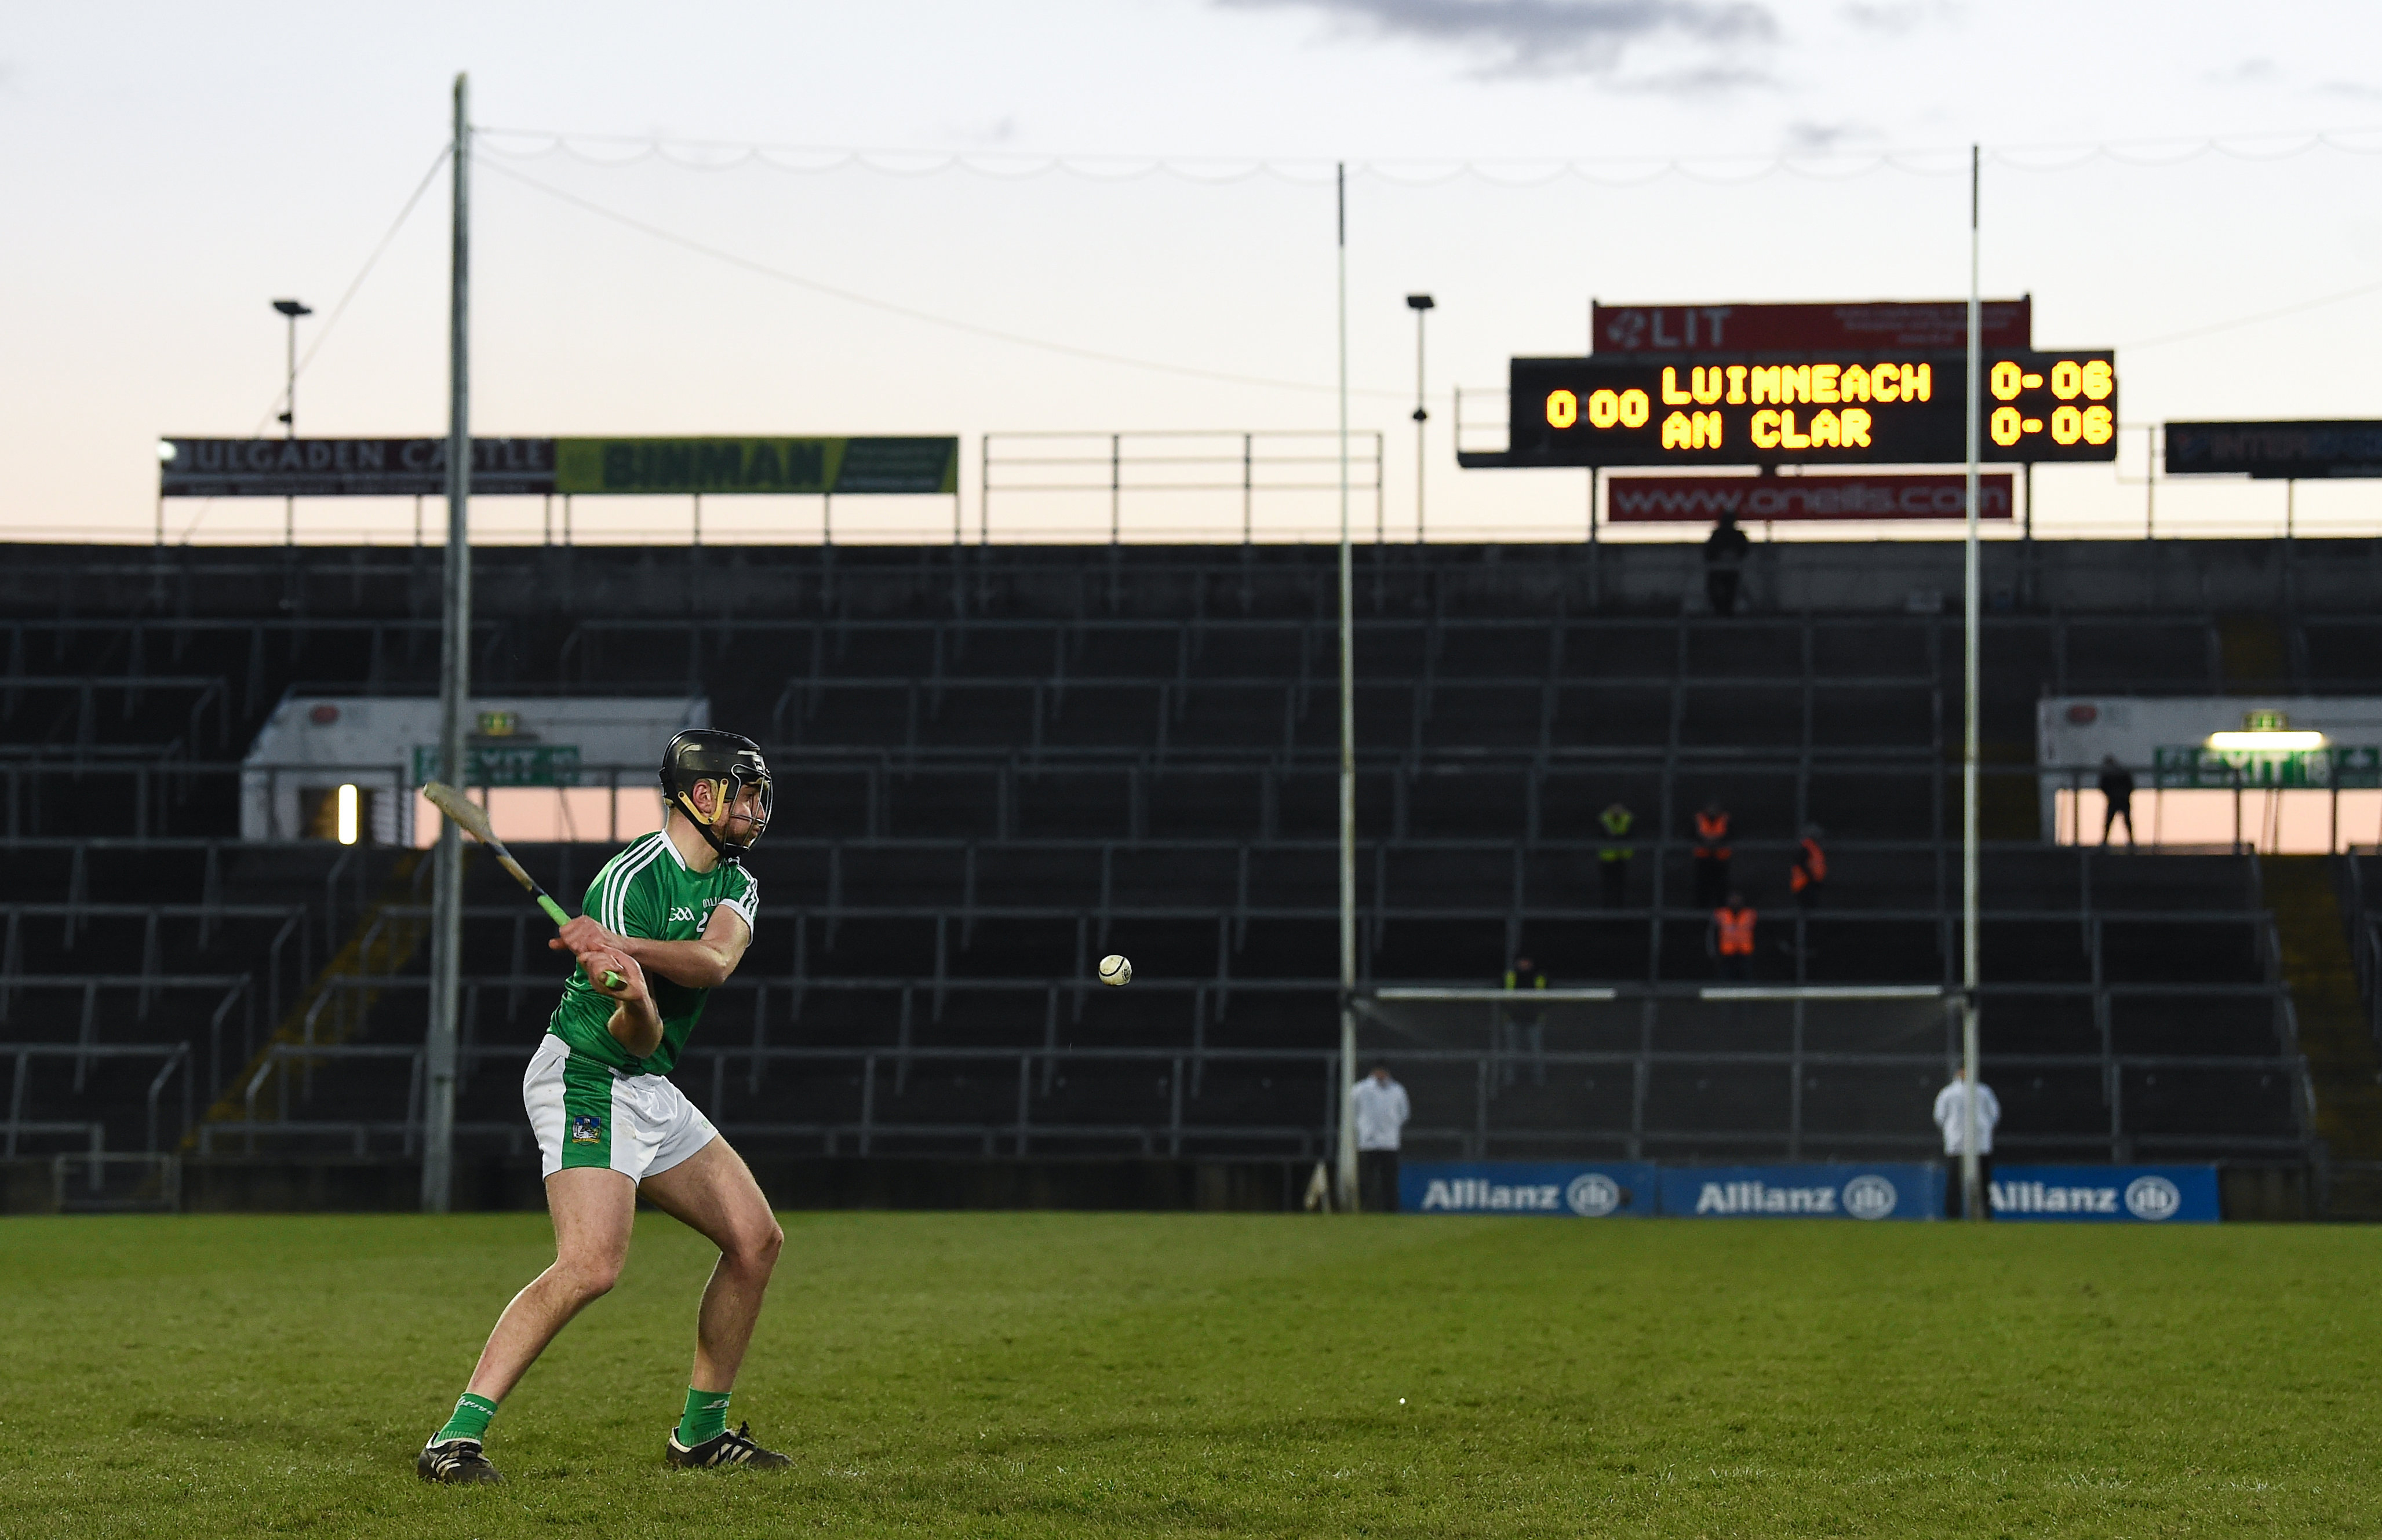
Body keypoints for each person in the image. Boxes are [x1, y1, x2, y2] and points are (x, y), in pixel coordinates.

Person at [417, 729, 789, 1484]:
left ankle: (700, 1434)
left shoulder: (734, 884)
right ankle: (454, 1437)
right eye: (742, 790)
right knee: (591, 1263)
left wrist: (626, 952)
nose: (754, 807)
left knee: (755, 1240)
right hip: (585, 1075)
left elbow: (715, 961)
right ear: (702, 794)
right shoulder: (626, 880)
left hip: (645, 1082)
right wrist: (634, 993)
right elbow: (633, 1027)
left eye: (755, 792)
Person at [1933, 1066, 2002, 1219]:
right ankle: (1953, 1216)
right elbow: (1940, 1116)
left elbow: (1994, 1114)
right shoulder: (1949, 1093)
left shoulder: (1983, 1091)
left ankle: (1984, 1215)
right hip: (1957, 1144)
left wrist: (1983, 1129)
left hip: (1980, 1144)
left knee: (1983, 1182)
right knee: (1955, 1183)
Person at [1351, 1065, 1411, 1213]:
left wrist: (1391, 1128)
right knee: (1366, 1180)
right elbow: (1353, 1112)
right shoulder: (1360, 1089)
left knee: (1389, 1180)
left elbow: (1404, 1114)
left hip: (1390, 1143)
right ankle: (1365, 1208)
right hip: (1367, 1142)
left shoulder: (1397, 1090)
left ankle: (1391, 1209)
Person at [1500, 954, 1547, 1085]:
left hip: (1534, 1021)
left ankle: (1539, 1082)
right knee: (1511, 1052)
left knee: (1536, 1052)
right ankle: (1509, 1082)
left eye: (1527, 961)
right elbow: (1503, 998)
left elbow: (1546, 1000)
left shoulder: (1540, 978)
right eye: (1522, 961)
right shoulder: (1510, 977)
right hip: (1513, 1020)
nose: (1525, 964)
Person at [1703, 514, 1751, 616]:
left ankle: (1725, 612)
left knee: (1729, 591)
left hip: (1728, 570)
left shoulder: (1720, 535)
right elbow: (1709, 552)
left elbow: (1708, 552)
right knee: (1722, 591)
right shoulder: (1719, 535)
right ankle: (1722, 612)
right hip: (1720, 570)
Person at [1692, 801, 1732, 908]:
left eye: (1715, 807)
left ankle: (1720, 907)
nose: (1713, 809)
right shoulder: (1699, 819)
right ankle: (1702, 911)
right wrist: (1705, 841)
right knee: (1703, 886)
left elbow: (1732, 835)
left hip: (1720, 859)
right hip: (1703, 859)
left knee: (1721, 887)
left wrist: (1717, 842)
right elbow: (1690, 834)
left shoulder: (1725, 819)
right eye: (1710, 807)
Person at [1709, 893, 1757, 981]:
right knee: (1725, 981)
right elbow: (1713, 935)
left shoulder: (1750, 914)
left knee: (1746, 982)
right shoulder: (1721, 914)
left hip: (1745, 953)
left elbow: (1757, 933)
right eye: (1733, 899)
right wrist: (1715, 953)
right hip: (1726, 955)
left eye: (1737, 899)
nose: (1735, 902)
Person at [1598, 801, 1635, 908]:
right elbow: (1602, 835)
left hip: (1622, 857)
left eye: (1619, 807)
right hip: (1607, 858)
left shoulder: (1628, 818)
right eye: (1614, 807)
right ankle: (1607, 907)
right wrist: (1616, 838)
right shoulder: (1603, 819)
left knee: (1620, 885)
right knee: (1608, 885)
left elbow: (1630, 835)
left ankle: (1620, 907)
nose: (1617, 809)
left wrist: (1614, 837)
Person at [2098, 754, 2136, 848]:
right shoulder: (2121, 773)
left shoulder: (2109, 775)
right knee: (2123, 821)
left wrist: (2112, 794)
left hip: (2116, 800)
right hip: (2121, 800)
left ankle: (2105, 842)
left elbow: (2102, 787)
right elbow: (2131, 786)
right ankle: (2130, 842)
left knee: (2114, 821)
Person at [1789, 823, 1827, 908]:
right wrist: (1812, 877)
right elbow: (1801, 863)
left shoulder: (1813, 848)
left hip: (1810, 884)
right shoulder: (1805, 848)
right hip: (1804, 885)